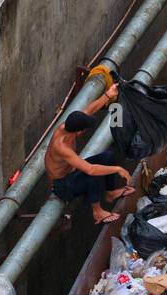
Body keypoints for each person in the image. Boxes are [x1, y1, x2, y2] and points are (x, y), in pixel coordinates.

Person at [44, 83, 134, 224]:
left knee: (108, 156)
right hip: (62, 185)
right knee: (93, 176)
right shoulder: (61, 146)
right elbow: (90, 170)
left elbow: (89, 110)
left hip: (72, 172)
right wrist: (119, 169)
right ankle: (97, 212)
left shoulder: (69, 125)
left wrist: (108, 95)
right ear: (79, 132)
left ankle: (110, 193)